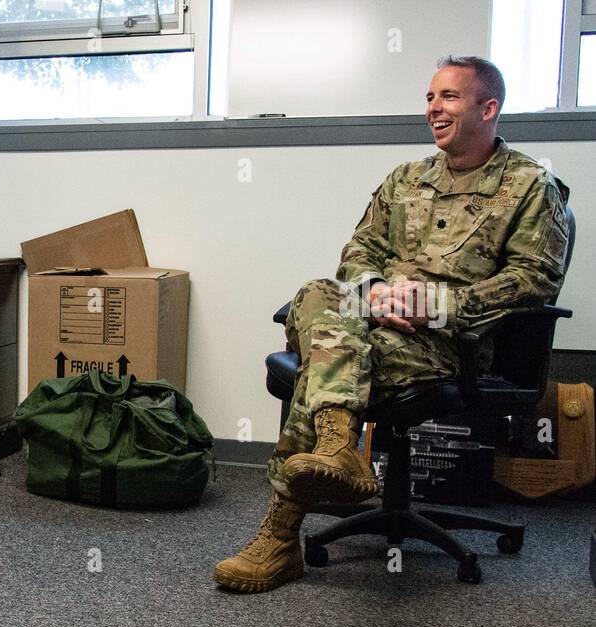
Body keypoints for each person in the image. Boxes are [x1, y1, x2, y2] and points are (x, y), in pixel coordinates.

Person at [214, 55, 570, 594]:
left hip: (448, 341)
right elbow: (359, 251)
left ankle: (281, 535)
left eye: (449, 97)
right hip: (375, 320)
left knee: (326, 355)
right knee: (317, 293)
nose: (433, 108)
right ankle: (338, 447)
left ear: (488, 108)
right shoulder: (405, 179)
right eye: (430, 97)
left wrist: (437, 306)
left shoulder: (529, 185)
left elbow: (533, 280)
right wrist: (375, 294)